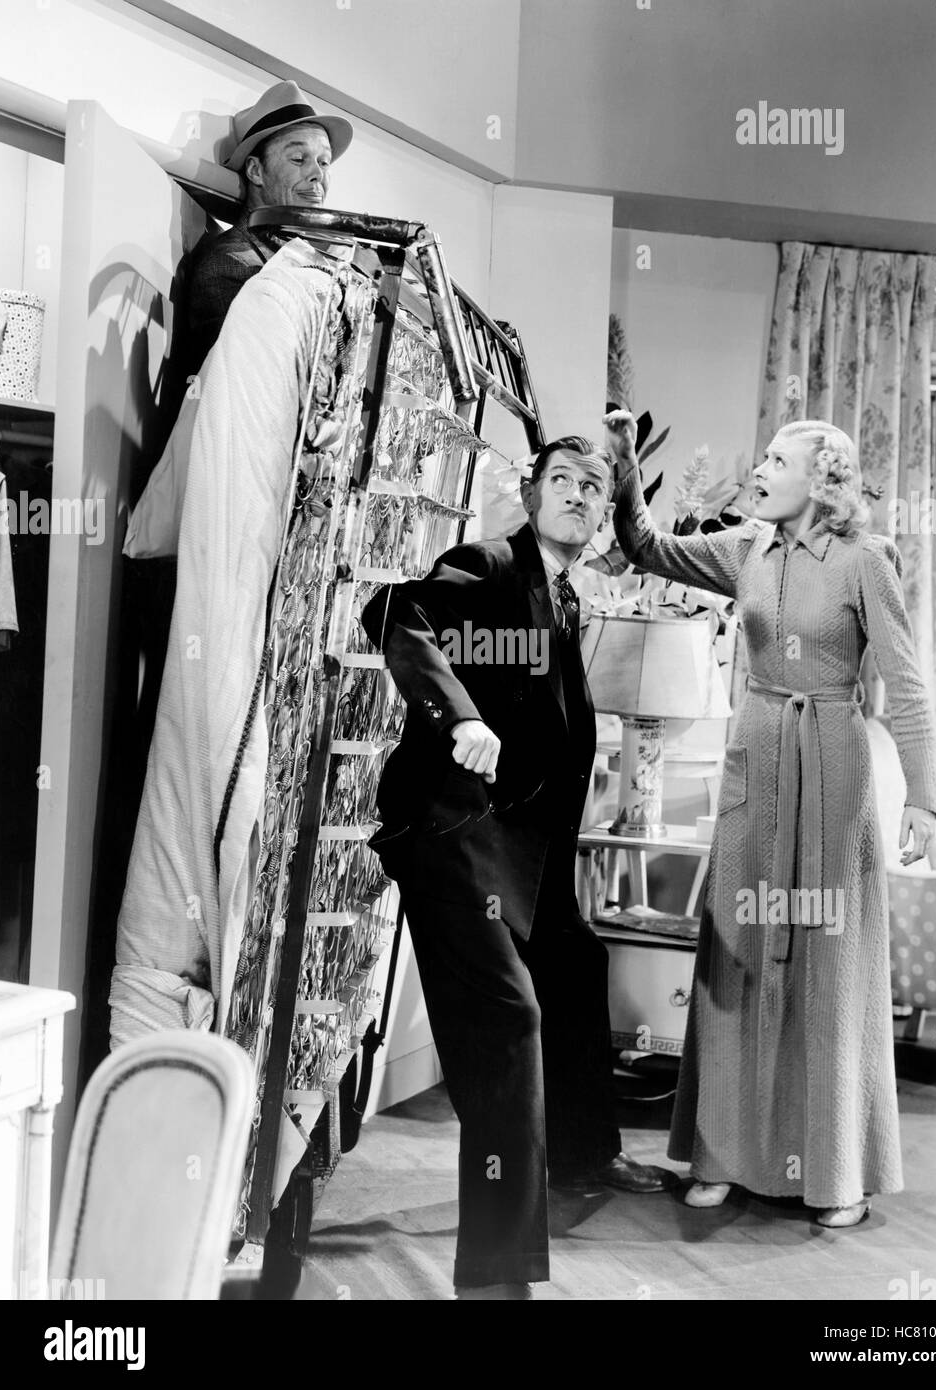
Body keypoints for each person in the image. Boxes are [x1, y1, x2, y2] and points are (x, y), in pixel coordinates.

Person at [606, 409, 936, 1228]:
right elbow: (647, 546)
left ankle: (833, 1172)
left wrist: (924, 799)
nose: (758, 469)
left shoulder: (866, 561)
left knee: (827, 965)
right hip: (755, 758)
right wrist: (620, 461)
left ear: (820, 479)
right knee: (737, 958)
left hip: (831, 760)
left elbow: (907, 681)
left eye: (775, 459)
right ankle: (720, 1154)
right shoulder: (739, 548)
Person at [361, 437, 676, 1300]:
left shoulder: (564, 598)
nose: (578, 497)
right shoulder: (493, 566)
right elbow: (394, 612)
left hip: (527, 852)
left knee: (576, 966)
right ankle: (496, 1276)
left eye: (595, 489)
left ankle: (581, 1156)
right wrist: (456, 714)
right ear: (533, 495)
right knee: (508, 1024)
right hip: (457, 837)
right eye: (563, 482)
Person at [186, 80, 354, 376]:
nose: (317, 174)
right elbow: (258, 384)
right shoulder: (232, 264)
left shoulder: (308, 261)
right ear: (255, 171)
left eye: (324, 162)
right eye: (299, 159)